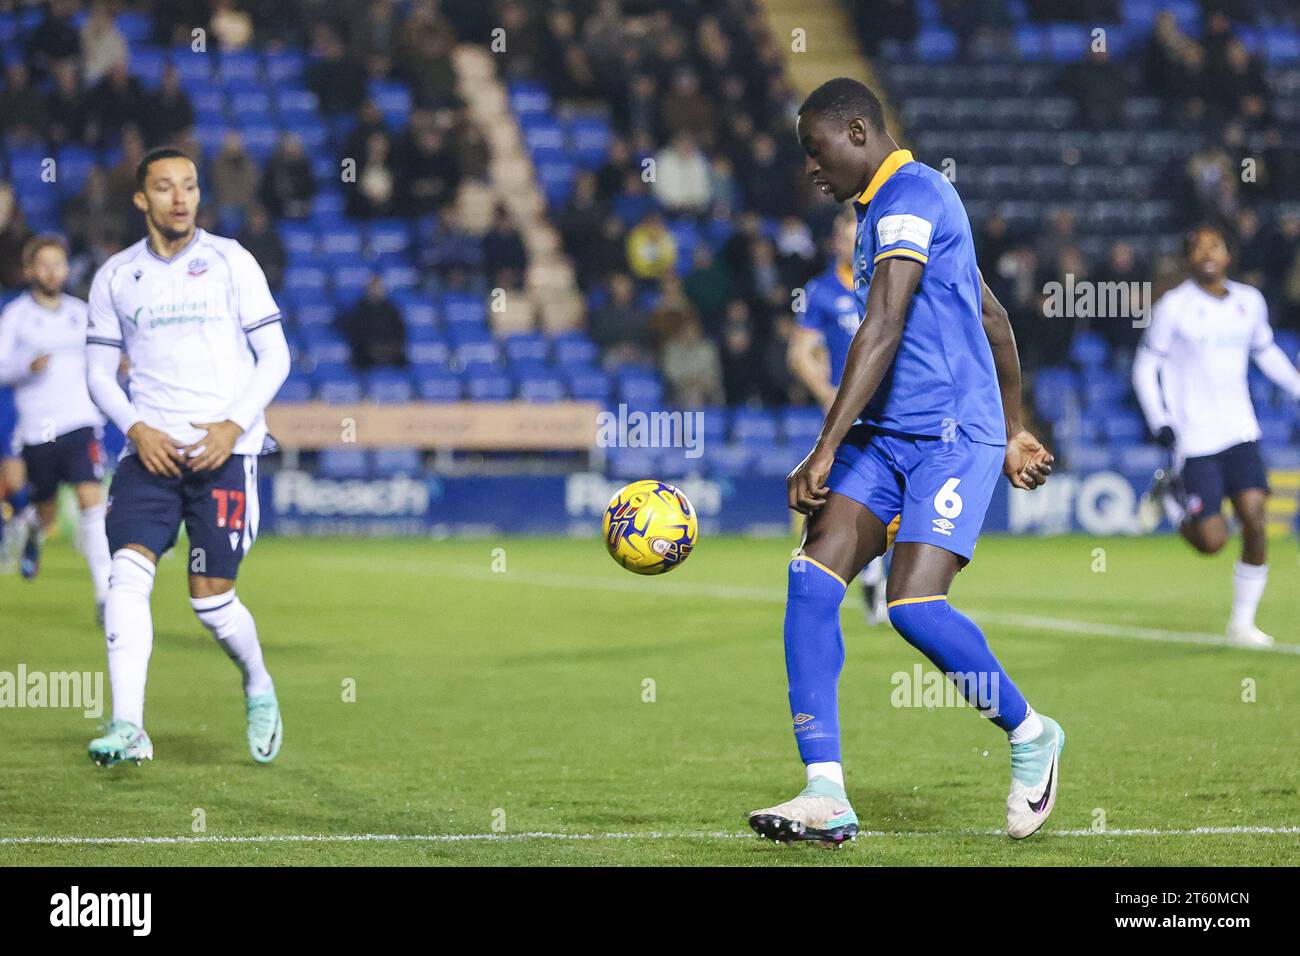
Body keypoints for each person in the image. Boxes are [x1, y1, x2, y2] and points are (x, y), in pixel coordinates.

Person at [748, 78, 1059, 845]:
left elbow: (884, 323)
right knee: (811, 576)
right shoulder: (883, 210)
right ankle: (826, 791)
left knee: (914, 607)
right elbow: (991, 315)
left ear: (857, 131)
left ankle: (1031, 735)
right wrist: (1017, 426)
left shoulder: (914, 196)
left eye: (816, 153)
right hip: (888, 434)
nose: (812, 172)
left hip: (951, 436)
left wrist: (825, 445)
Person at [83, 147, 290, 768]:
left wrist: (232, 426)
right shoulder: (116, 275)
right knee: (126, 572)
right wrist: (136, 427)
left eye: (191, 187)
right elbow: (97, 375)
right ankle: (128, 725)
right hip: (150, 451)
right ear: (141, 200)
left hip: (224, 453)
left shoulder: (231, 261)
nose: (181, 198)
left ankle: (257, 682)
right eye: (165, 188)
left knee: (210, 601)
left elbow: (276, 356)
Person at [1134, 224, 1300, 649]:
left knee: (1255, 517)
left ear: (1228, 255)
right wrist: (1160, 421)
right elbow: (1144, 368)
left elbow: (1266, 353)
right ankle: (1173, 501)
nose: (1206, 252)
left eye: (1215, 246)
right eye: (1197, 247)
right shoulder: (1175, 307)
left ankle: (1242, 625)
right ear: (1188, 259)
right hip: (1194, 439)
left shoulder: (1250, 302)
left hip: (1241, 430)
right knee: (1212, 541)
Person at [788, 209, 898, 625]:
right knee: (851, 498)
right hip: (851, 415)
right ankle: (867, 577)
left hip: (895, 409)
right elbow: (799, 353)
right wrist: (830, 396)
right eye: (845, 237)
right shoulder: (821, 292)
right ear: (836, 242)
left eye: (858, 237)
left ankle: (877, 577)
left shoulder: (887, 285)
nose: (852, 244)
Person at [0, 236, 110, 611]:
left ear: (66, 268)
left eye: (58, 263)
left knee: (90, 497)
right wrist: (23, 367)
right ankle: (31, 528)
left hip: (81, 421)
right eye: (43, 264)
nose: (51, 271)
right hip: (39, 428)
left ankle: (104, 593)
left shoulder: (82, 312)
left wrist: (119, 367)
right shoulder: (15, 317)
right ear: (30, 270)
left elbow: (101, 360)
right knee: (45, 511)